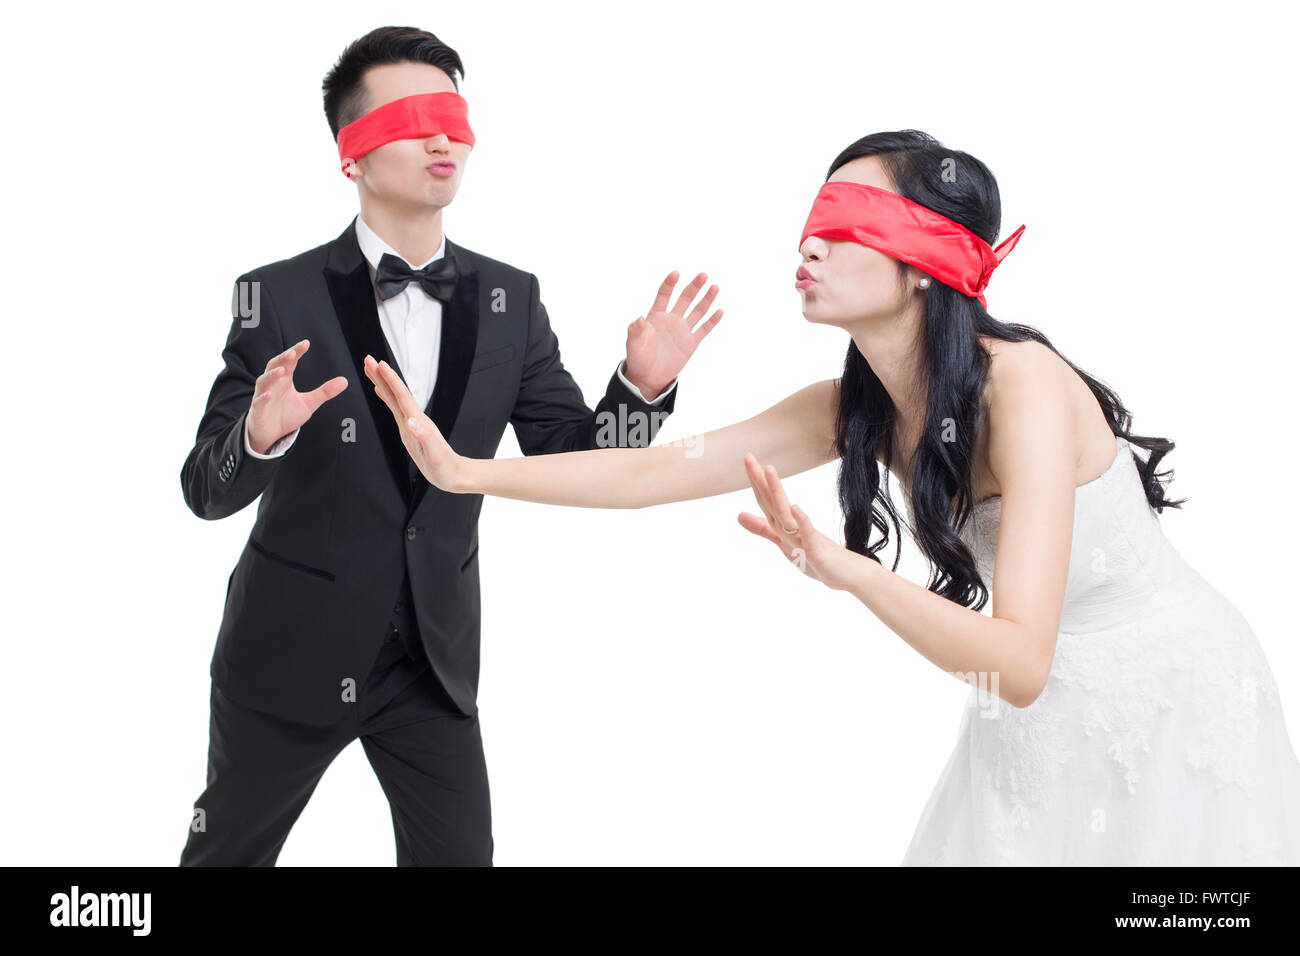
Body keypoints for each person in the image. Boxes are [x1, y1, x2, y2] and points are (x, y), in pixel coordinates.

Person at [365, 129, 1300, 865]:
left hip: (1173, 703)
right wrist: (467, 471)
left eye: (847, 219)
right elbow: (656, 471)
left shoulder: (1026, 390)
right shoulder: (847, 410)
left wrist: (847, 572)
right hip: (1038, 723)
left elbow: (1018, 664)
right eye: (813, 214)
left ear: (929, 256)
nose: (807, 241)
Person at [178, 25, 721, 866]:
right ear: (349, 154)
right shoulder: (274, 297)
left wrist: (639, 389)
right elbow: (204, 490)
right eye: (409, 118)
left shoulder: (513, 296)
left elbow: (570, 455)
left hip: (430, 663)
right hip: (287, 653)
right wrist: (259, 434)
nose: (441, 138)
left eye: (453, 118)